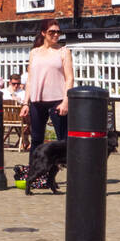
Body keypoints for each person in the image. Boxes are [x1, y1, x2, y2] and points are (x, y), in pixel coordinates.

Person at [25, 19, 73, 149]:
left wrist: (65, 102)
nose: (56, 35)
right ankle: (33, 168)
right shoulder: (34, 53)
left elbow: (69, 78)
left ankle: (66, 166)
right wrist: (25, 103)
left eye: (58, 32)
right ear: (43, 33)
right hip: (36, 101)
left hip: (58, 100)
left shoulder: (64, 51)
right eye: (52, 32)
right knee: (36, 139)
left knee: (63, 139)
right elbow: (30, 79)